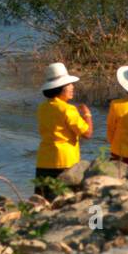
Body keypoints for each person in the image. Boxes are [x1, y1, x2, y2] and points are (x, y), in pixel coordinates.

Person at [35, 62, 92, 196]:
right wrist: (87, 115)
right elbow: (87, 133)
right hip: (65, 161)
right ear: (61, 88)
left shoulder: (42, 107)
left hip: (44, 160)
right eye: (69, 85)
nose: (72, 87)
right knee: (64, 199)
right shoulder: (68, 109)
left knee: (42, 200)